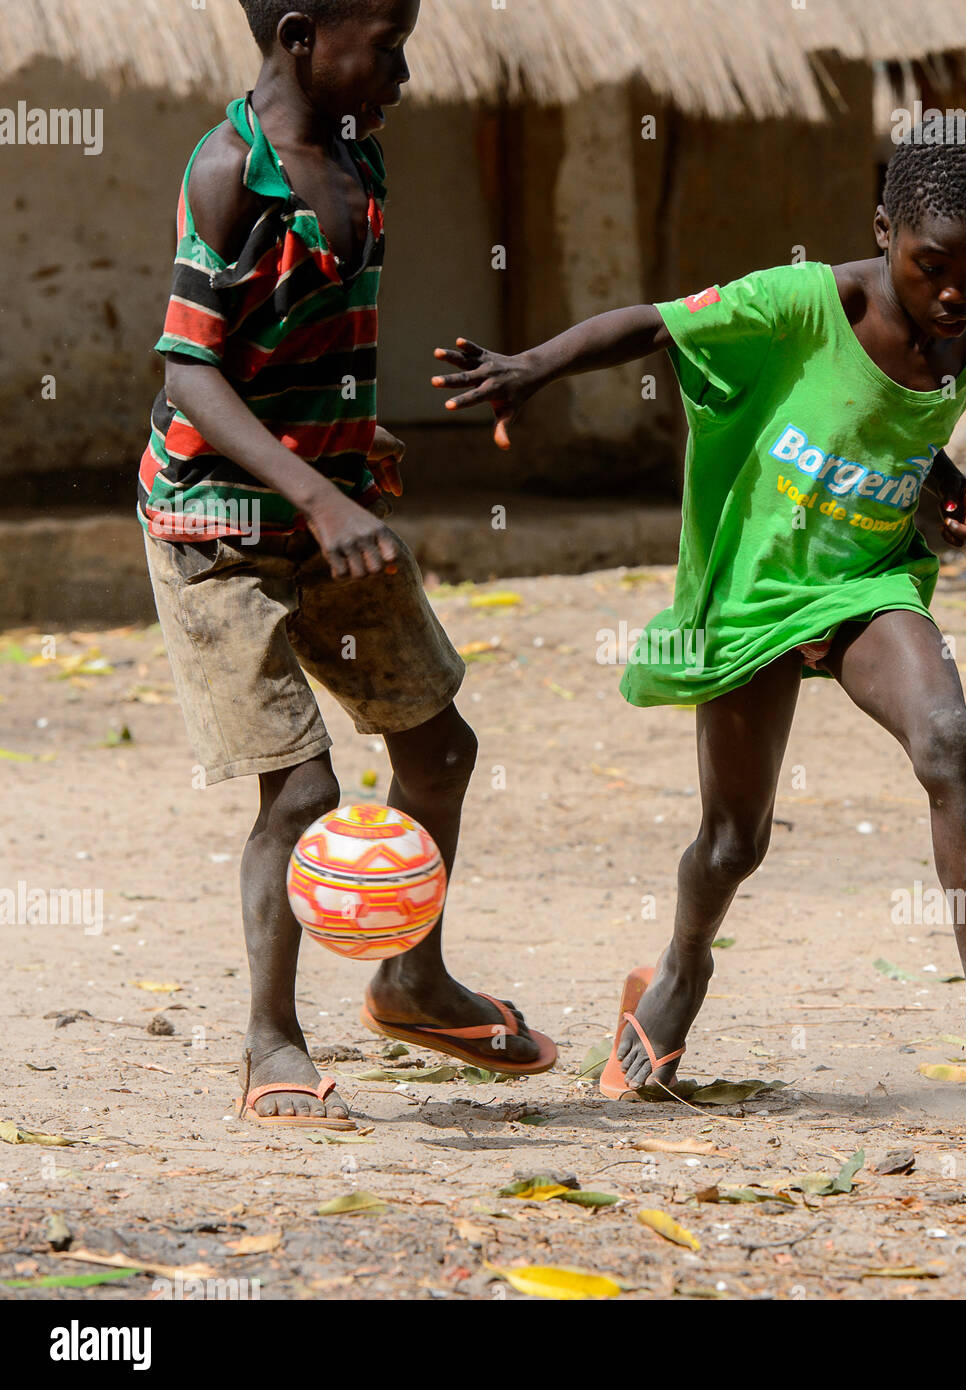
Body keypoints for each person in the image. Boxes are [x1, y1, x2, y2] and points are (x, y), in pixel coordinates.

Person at [430, 127, 966, 1097]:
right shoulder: (809, 302)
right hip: (756, 593)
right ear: (884, 230)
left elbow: (898, 444)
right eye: (932, 266)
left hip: (865, 585)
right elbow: (657, 324)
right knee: (731, 841)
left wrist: (943, 493)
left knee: (950, 740)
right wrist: (532, 368)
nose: (955, 292)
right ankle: (680, 969)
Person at [139, 0, 554, 1129]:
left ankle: (410, 980)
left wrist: (349, 437)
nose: (408, 72)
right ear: (301, 37)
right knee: (305, 785)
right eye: (390, 45)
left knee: (440, 749)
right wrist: (316, 491)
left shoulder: (361, 156)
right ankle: (270, 1043)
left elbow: (300, 332)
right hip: (219, 530)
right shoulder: (230, 171)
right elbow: (190, 371)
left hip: (327, 504)